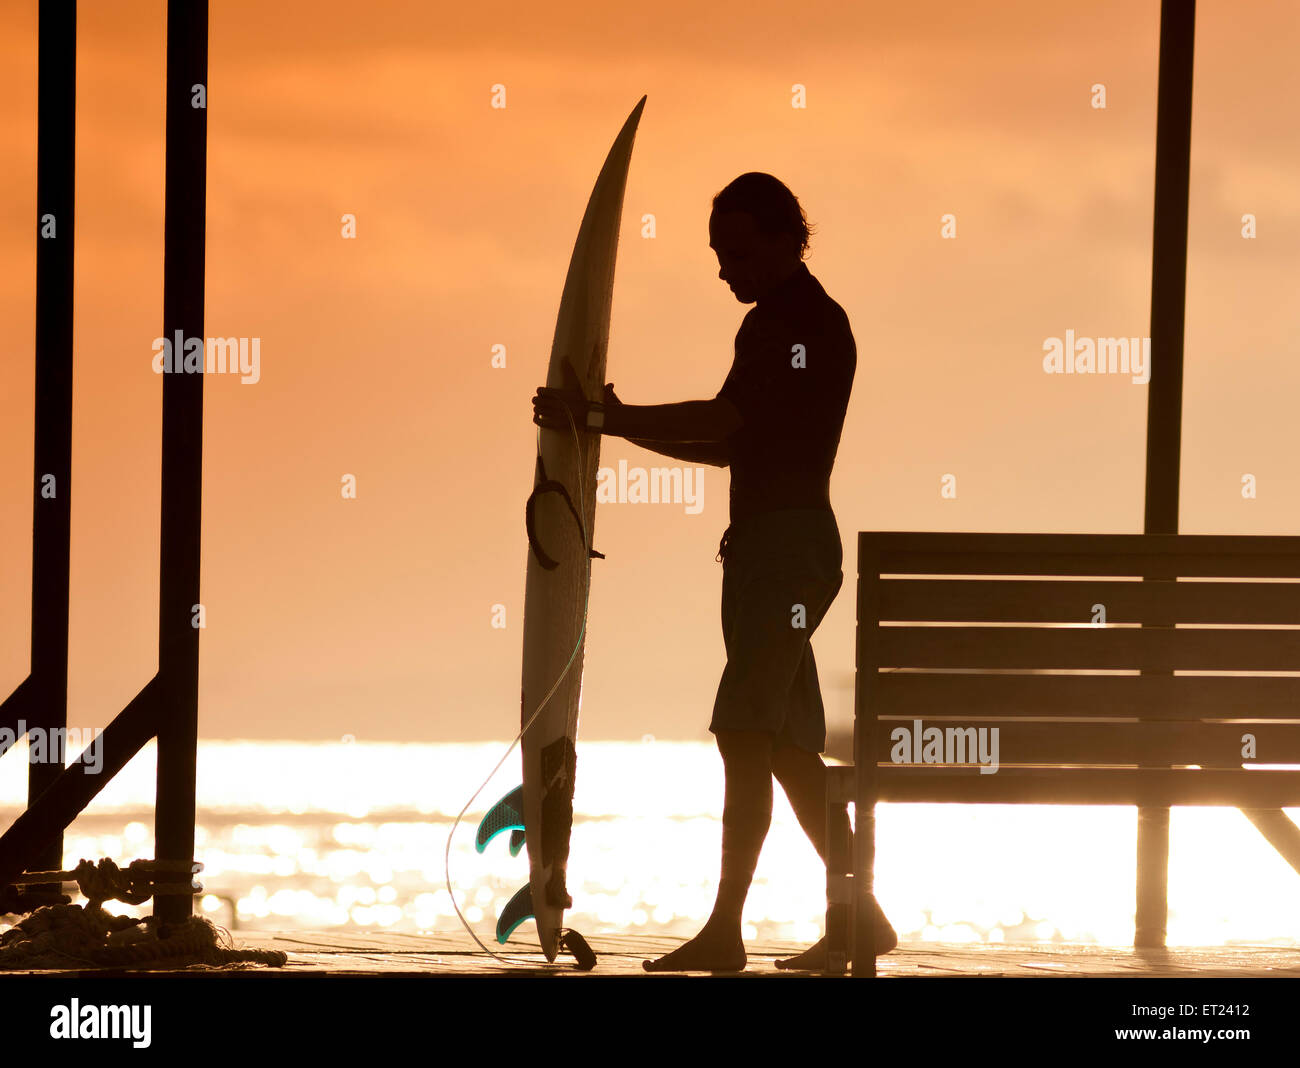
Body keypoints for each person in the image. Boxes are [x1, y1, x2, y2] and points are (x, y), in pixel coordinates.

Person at [532, 172, 897, 972]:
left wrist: (606, 418)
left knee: (742, 734)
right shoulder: (784, 323)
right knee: (793, 750)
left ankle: (725, 930)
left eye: (736, 251)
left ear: (782, 238)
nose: (725, 269)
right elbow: (728, 441)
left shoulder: (795, 326)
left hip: (784, 555)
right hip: (779, 551)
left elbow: (723, 424)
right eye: (717, 254)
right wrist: (613, 424)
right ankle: (860, 918)